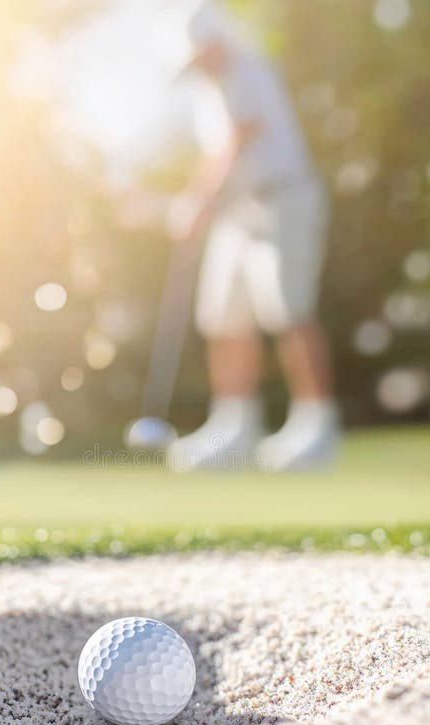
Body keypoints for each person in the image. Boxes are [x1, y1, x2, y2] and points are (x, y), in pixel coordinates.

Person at [160, 0, 339, 471]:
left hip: (283, 199)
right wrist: (198, 200)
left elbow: (242, 136)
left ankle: (317, 426)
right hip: (237, 212)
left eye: (204, 51)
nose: (201, 62)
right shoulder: (206, 89)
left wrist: (198, 201)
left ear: (219, 42)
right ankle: (234, 428)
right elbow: (217, 151)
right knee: (223, 316)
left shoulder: (248, 69)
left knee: (290, 309)